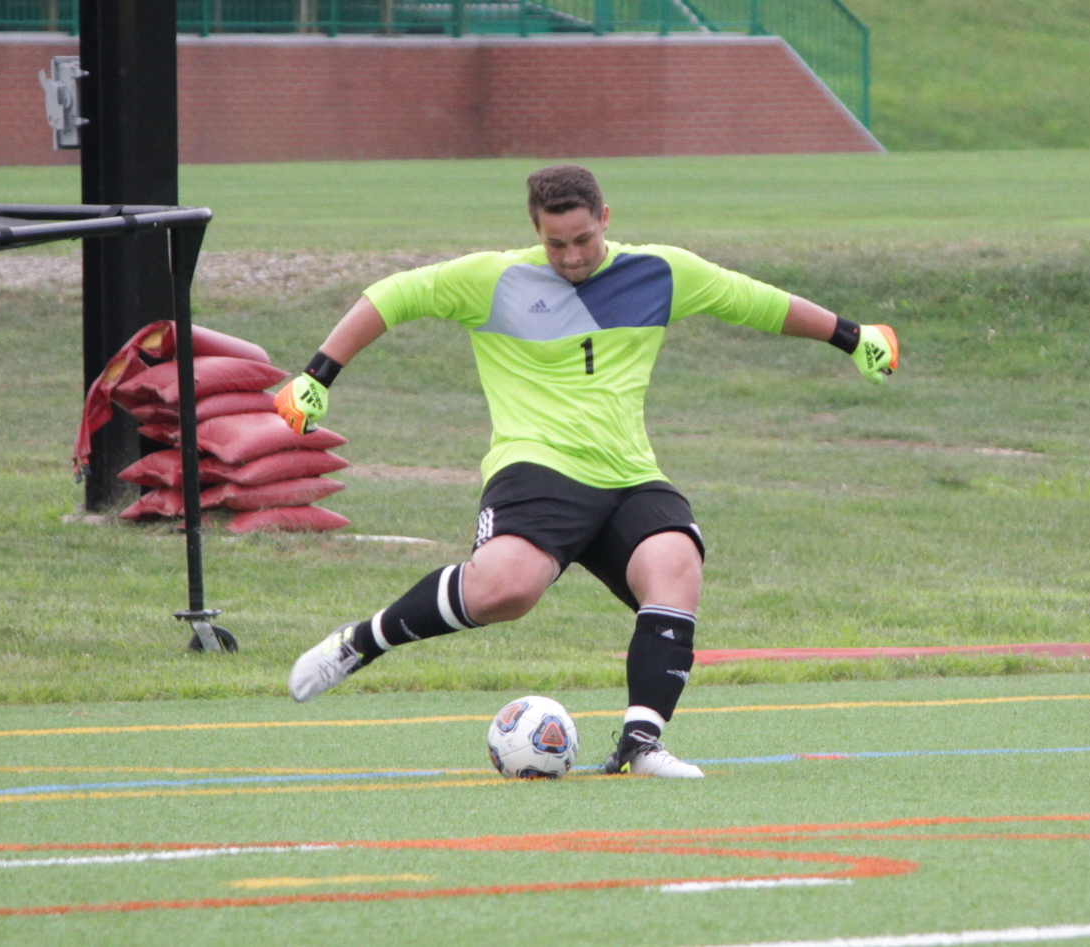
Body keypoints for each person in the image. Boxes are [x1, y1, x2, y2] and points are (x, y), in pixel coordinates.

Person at [278, 164, 897, 778]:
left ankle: (640, 745)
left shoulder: (659, 272)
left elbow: (754, 301)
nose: (571, 256)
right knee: (508, 590)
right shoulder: (494, 280)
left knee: (676, 564)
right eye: (555, 243)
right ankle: (360, 643)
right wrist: (316, 376)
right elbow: (392, 296)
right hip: (536, 465)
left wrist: (853, 336)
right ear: (535, 230)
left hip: (628, 472)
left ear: (605, 219)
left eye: (583, 240)